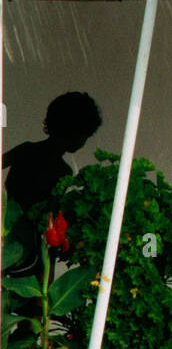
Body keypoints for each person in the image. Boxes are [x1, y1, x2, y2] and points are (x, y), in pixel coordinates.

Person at [3, 92, 102, 278]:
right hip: (31, 240)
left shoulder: (25, 149)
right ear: (78, 134)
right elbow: (52, 213)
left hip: (7, 227)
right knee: (39, 294)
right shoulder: (62, 171)